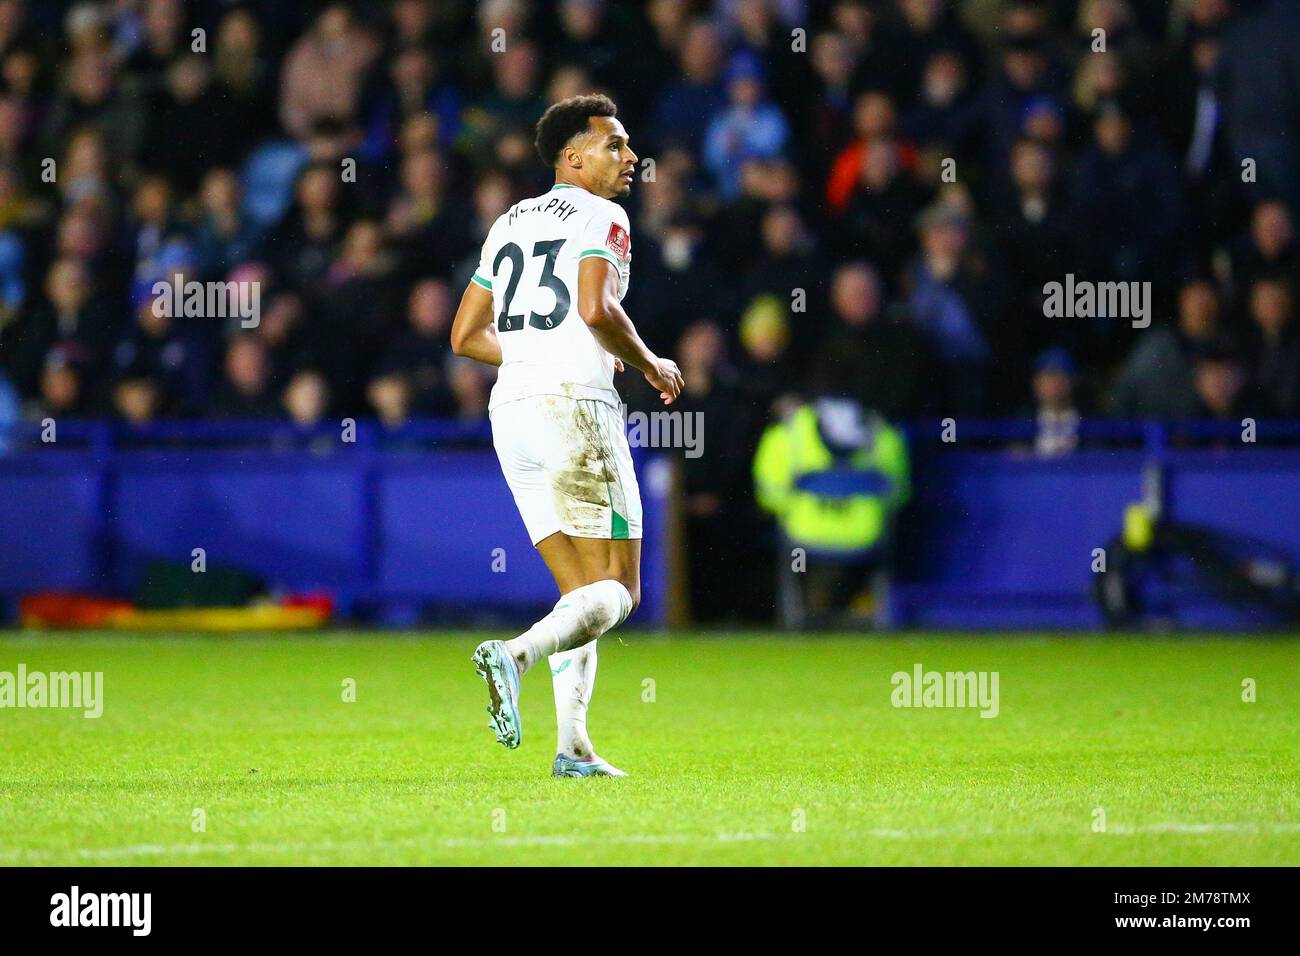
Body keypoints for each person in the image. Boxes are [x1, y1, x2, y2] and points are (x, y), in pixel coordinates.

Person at [449, 94, 683, 778]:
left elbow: (464, 336)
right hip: (575, 410)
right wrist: (650, 363)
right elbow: (594, 306)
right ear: (572, 158)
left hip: (512, 413)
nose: (630, 157)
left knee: (583, 595)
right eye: (614, 145)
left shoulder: (509, 221)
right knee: (624, 589)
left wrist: (536, 353)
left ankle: (573, 747)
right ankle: (514, 656)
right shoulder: (604, 216)